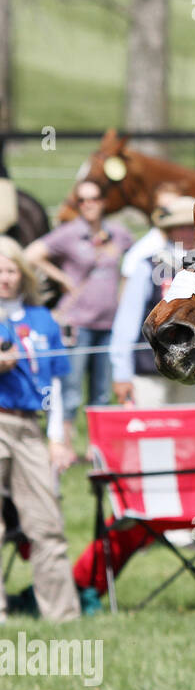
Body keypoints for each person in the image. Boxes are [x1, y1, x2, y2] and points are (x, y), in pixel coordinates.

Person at [0, 237, 80, 622]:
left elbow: (58, 384)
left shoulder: (43, 320)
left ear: (23, 274)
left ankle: (61, 615)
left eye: (11, 269)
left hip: (30, 425)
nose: (4, 278)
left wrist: (57, 437)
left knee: (46, 522)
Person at [24, 179, 132, 428]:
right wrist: (61, 277)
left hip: (109, 322)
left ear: (103, 202)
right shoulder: (70, 233)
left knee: (102, 394)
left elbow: (137, 258)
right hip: (78, 322)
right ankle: (66, 447)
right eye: (82, 200)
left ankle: (98, 451)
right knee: (71, 392)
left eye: (93, 198)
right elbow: (31, 254)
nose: (88, 205)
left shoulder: (118, 233)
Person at [110, 193, 195, 407]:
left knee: (193, 435)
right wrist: (122, 373)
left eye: (193, 226)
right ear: (170, 230)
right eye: (181, 226)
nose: (187, 233)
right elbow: (127, 321)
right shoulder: (149, 266)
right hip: (150, 369)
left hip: (194, 368)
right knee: (150, 434)